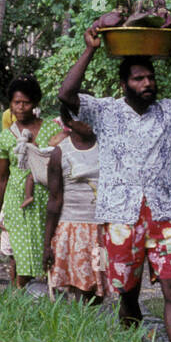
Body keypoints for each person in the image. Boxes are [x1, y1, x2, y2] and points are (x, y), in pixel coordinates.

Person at [58, 20, 171, 342]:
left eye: (150, 77)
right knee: (128, 292)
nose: (147, 83)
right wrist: (89, 48)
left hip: (164, 215)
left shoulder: (169, 110)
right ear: (124, 85)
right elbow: (66, 95)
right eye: (138, 78)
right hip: (121, 216)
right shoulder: (105, 111)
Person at [0, 77, 66, 290]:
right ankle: (19, 300)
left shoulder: (51, 130)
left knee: (50, 251)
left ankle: (51, 303)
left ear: (35, 103)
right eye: (16, 102)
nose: (21, 107)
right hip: (17, 204)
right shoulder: (6, 137)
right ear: (10, 104)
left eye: (26, 102)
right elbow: (2, 178)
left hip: (48, 201)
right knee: (20, 255)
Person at [36, 107, 109, 302]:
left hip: (100, 233)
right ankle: (76, 327)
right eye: (81, 117)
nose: (88, 122)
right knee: (77, 286)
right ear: (69, 121)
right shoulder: (60, 153)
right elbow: (54, 201)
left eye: (91, 116)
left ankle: (92, 327)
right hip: (72, 232)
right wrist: (47, 244)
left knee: (98, 286)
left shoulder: (107, 147)